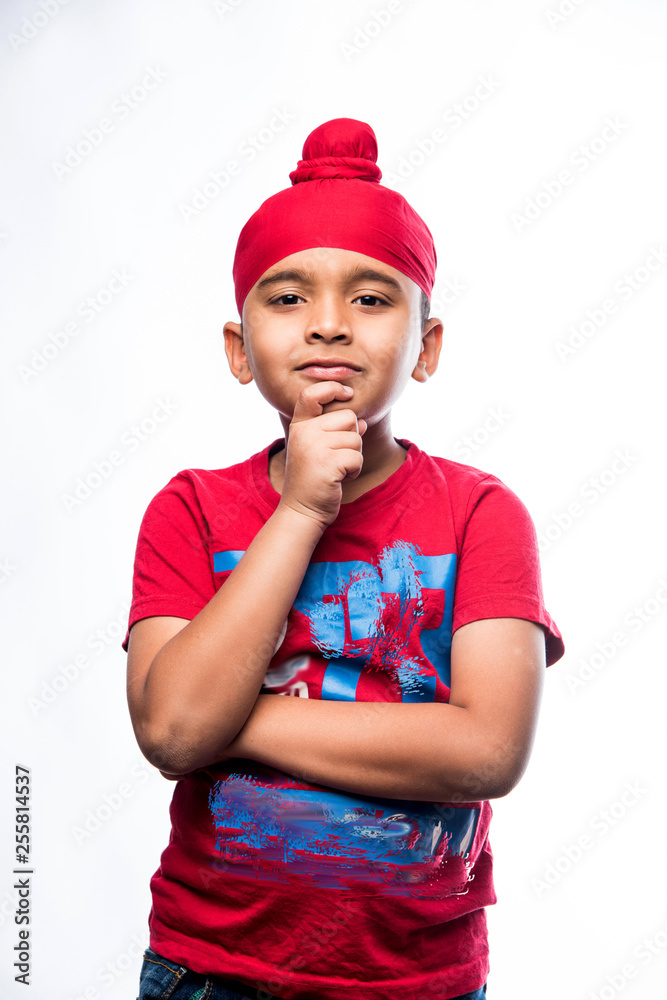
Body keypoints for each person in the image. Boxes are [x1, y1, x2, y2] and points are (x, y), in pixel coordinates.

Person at [123, 117, 564, 1000]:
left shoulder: (480, 513)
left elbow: (487, 749)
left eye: (371, 298)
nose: (328, 325)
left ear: (425, 348)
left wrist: (222, 720)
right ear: (239, 352)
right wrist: (298, 511)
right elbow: (171, 733)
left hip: (416, 980)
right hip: (209, 971)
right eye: (287, 298)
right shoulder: (191, 509)